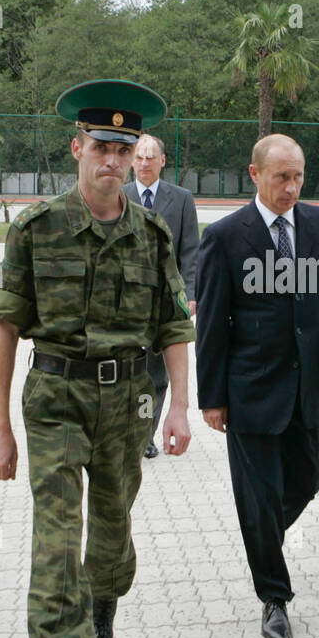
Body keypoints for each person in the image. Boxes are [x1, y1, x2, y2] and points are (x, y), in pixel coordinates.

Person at [0, 79, 196, 638]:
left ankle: (103, 624)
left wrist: (178, 405)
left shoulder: (153, 235)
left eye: (123, 150)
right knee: (56, 532)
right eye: (101, 146)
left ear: (137, 158)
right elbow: (5, 331)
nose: (112, 161)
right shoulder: (36, 228)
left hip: (128, 402)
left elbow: (174, 326)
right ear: (76, 147)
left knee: (112, 524)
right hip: (56, 399)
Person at [195, 134, 319, 638]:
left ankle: (260, 536)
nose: (292, 187)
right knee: (258, 497)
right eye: (281, 177)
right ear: (255, 174)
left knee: (304, 484)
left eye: (299, 176)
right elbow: (212, 325)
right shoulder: (225, 237)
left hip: (310, 390)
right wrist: (211, 397)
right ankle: (275, 597)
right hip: (249, 393)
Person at [123, 133, 200, 458]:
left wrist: (190, 294)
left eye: (150, 157)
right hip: (125, 303)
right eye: (138, 157)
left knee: (156, 376)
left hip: (165, 304)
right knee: (127, 374)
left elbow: (191, 251)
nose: (143, 163)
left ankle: (145, 436)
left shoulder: (181, 199)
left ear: (162, 161)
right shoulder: (118, 194)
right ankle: (123, 431)